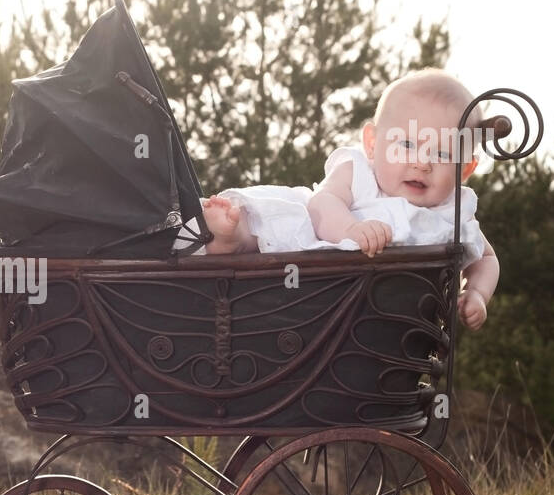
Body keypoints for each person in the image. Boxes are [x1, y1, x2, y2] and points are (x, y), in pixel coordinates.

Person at [195, 69, 498, 330]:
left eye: (442, 154)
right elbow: (321, 204)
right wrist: (351, 229)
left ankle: (228, 241)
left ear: (465, 169)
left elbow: (486, 257)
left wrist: (476, 294)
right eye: (406, 144)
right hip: (317, 246)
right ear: (372, 143)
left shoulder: (453, 212)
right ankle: (230, 236)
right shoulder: (360, 175)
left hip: (358, 312)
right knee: (277, 225)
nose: (422, 163)